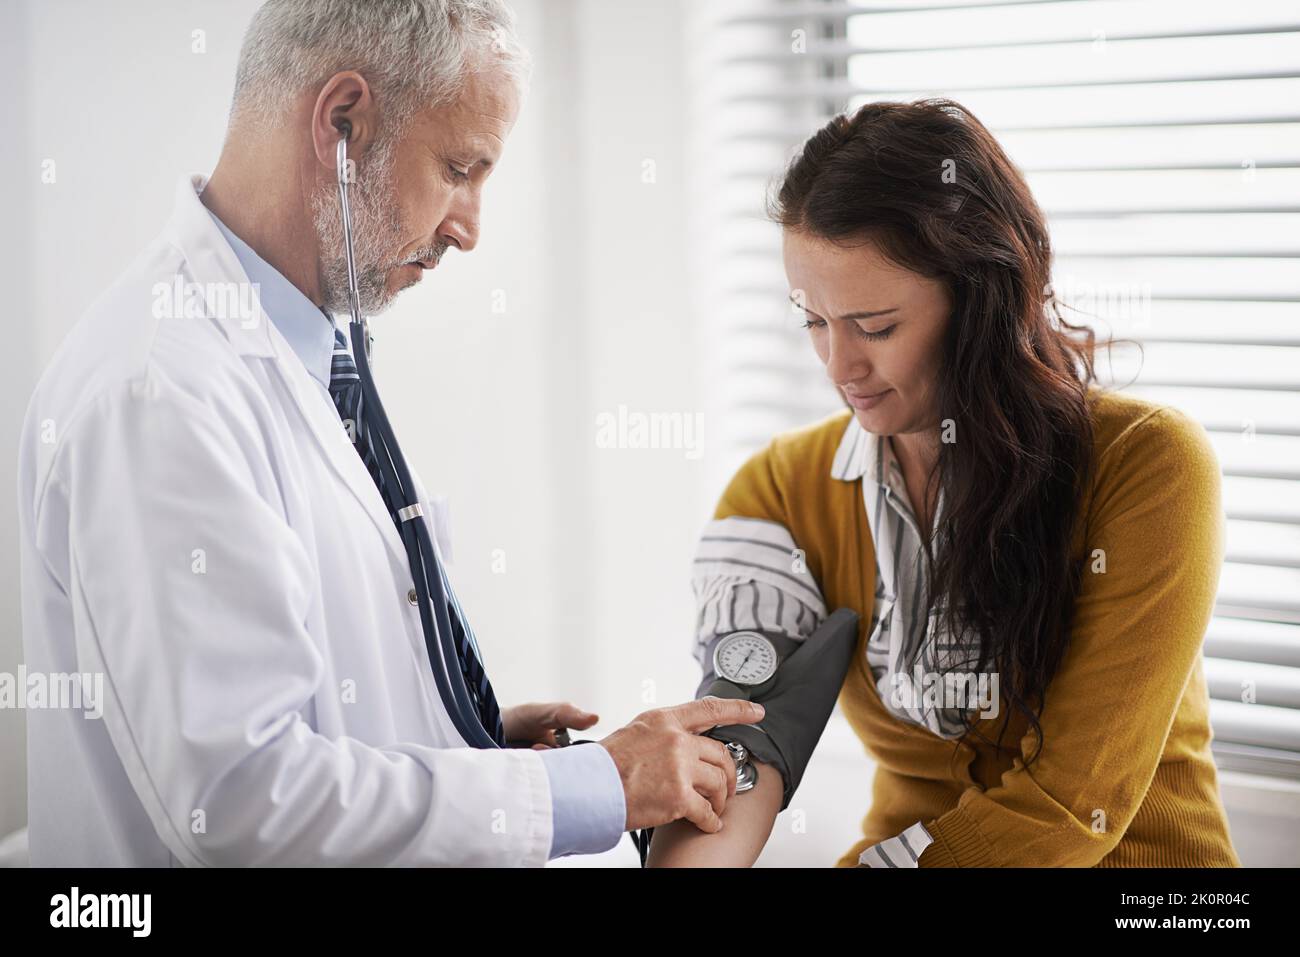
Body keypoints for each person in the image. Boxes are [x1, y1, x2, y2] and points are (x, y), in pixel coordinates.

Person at [17, 0, 761, 867]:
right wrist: (595, 786)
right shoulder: (160, 394)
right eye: (458, 169)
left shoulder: (313, 345)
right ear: (342, 122)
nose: (469, 230)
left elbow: (310, 692)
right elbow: (245, 803)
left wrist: (452, 731)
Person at [647, 98, 1240, 867]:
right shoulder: (782, 487)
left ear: (980, 302)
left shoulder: (1150, 464)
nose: (839, 367)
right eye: (814, 321)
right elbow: (745, 739)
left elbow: (1069, 805)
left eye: (876, 325)